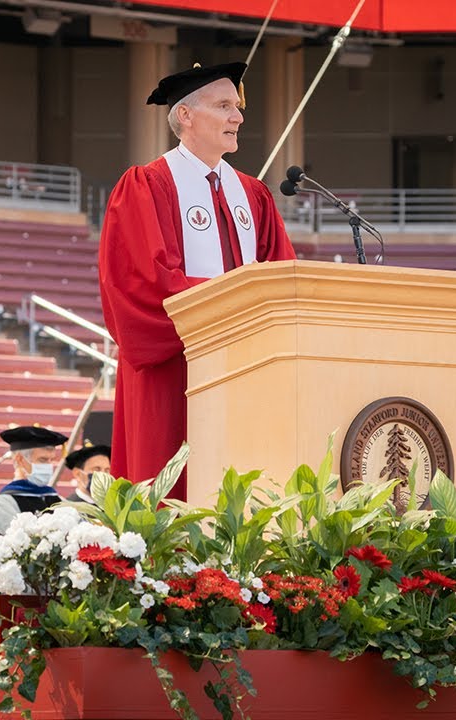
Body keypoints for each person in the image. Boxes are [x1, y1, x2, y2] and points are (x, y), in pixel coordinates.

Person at [98, 61, 297, 497]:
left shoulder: (253, 194)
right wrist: (234, 310)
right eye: (224, 105)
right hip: (175, 369)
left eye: (238, 107)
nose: (238, 117)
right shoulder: (147, 185)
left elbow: (282, 278)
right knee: (172, 486)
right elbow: (141, 283)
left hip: (247, 367)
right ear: (185, 116)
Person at [0, 426, 67, 534]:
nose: (48, 466)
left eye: (51, 460)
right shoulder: (2, 506)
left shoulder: (59, 501)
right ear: (20, 460)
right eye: (42, 460)